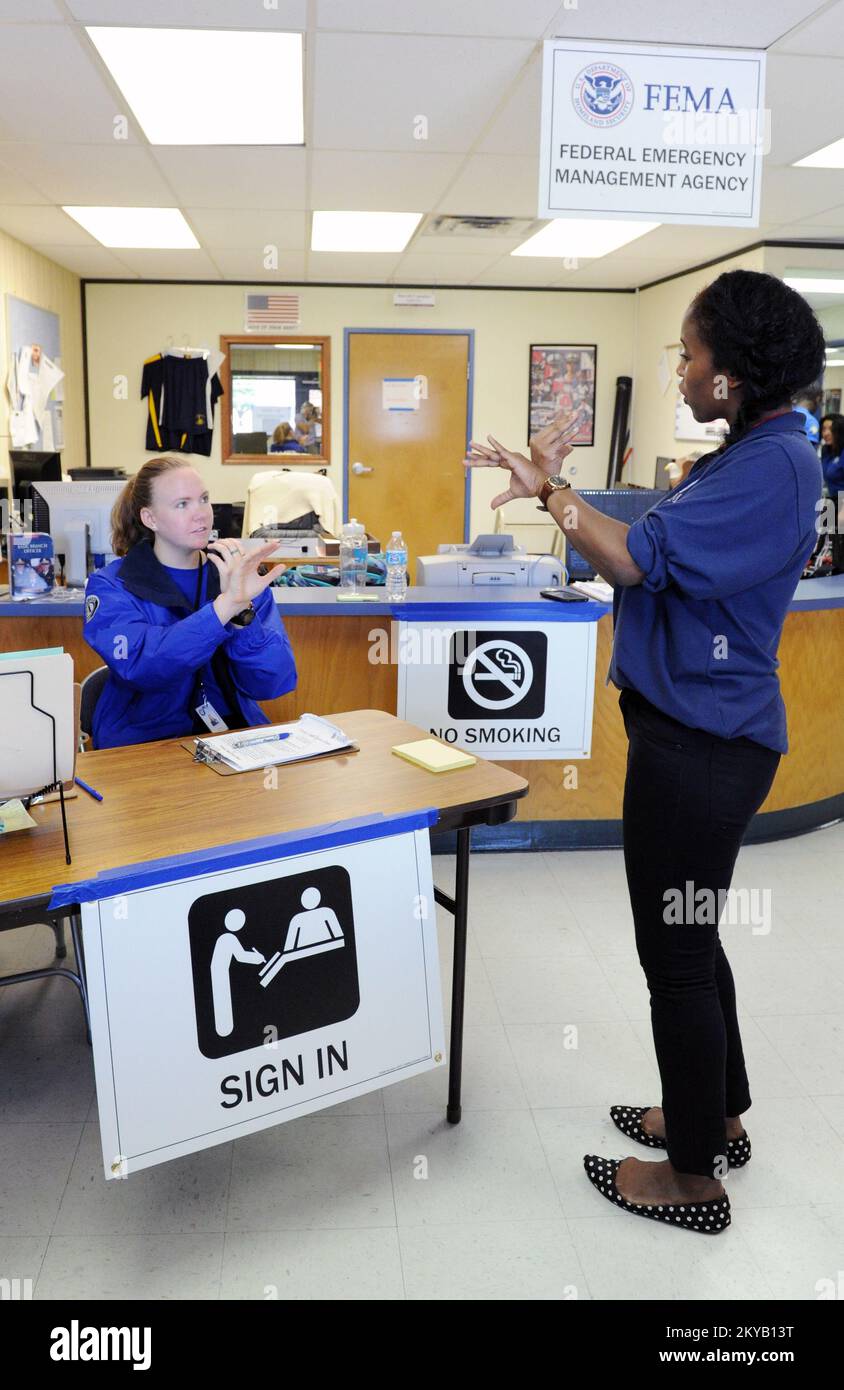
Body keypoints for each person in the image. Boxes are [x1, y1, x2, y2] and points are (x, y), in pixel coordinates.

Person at [464, 268, 824, 1235]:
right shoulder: (753, 450)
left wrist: (553, 491)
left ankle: (693, 1176)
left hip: (703, 748)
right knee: (694, 940)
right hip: (696, 738)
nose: (679, 372)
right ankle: (719, 1116)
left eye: (692, 355)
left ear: (736, 373)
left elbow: (635, 559)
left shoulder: (774, 465)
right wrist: (560, 496)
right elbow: (650, 551)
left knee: (674, 955)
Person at [83, 455, 297, 749]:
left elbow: (273, 682)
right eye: (182, 504)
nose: (201, 514)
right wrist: (225, 607)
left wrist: (243, 614)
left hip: (230, 739)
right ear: (150, 518)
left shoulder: (237, 574)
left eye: (204, 499)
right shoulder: (112, 585)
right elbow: (145, 666)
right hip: (146, 746)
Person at [820, 411, 844, 504]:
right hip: (831, 500)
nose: (826, 433)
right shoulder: (825, 450)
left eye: (831, 429)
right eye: (823, 429)